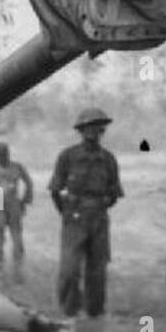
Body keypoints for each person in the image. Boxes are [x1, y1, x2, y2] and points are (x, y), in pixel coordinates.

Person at [49, 107, 123, 319]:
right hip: (74, 218)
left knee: (97, 271)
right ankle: (69, 312)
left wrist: (97, 207)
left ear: (103, 130)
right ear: (81, 130)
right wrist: (68, 212)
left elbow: (114, 194)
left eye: (98, 127)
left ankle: (94, 314)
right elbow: (55, 190)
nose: (93, 131)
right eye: (88, 127)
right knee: (70, 270)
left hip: (99, 219)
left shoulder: (108, 159)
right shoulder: (67, 157)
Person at [0, 139, 33, 281]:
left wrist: (25, 201)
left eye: (4, 153)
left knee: (17, 238)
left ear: (8, 153)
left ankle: (18, 271)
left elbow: (28, 182)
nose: (2, 156)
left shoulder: (17, 167)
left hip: (12, 200)